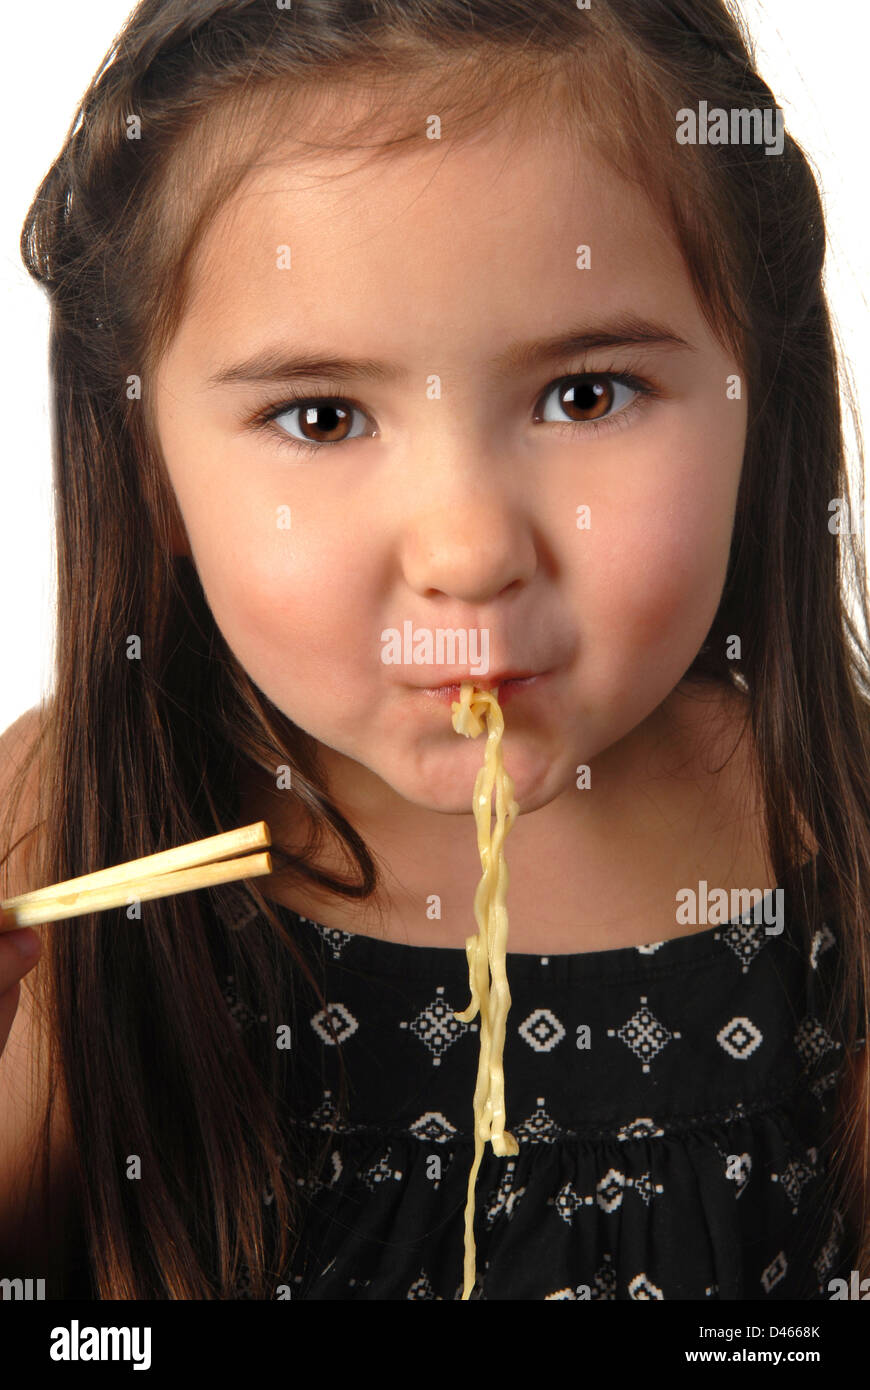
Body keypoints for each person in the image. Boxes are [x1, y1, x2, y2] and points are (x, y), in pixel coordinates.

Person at [0, 0, 867, 1301]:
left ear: (759, 385)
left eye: (585, 394)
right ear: (148, 474)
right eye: (322, 414)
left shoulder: (836, 831)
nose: (466, 548)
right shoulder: (69, 828)